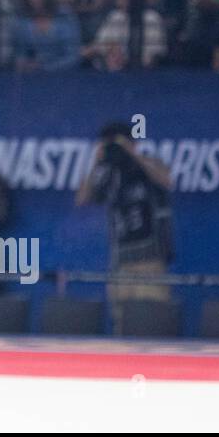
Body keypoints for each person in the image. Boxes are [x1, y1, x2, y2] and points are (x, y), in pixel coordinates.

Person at [76, 121, 174, 331]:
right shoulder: (108, 173)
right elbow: (82, 199)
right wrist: (96, 161)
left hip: (150, 259)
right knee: (121, 323)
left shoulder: (148, 166)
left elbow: (167, 180)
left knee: (152, 321)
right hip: (120, 261)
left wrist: (132, 154)